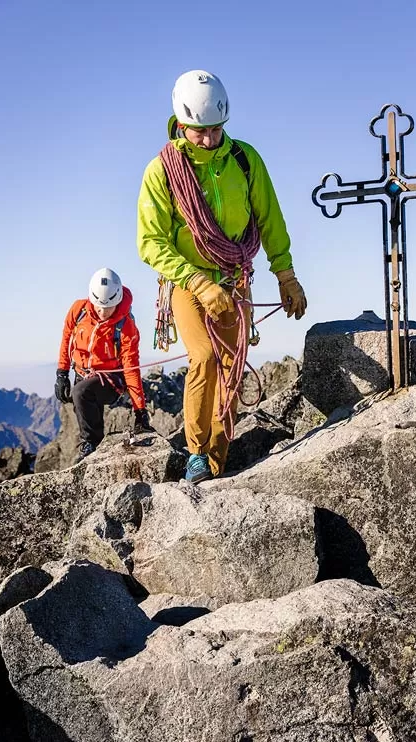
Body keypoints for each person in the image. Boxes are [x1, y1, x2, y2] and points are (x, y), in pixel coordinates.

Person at [137, 69, 307, 485]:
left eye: (215, 129)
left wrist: (286, 275)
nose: (209, 138)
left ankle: (218, 459)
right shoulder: (163, 171)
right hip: (186, 282)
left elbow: (269, 220)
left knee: (232, 368)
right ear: (181, 123)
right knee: (205, 358)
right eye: (200, 132)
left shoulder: (244, 160)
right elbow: (151, 242)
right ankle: (195, 453)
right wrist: (197, 282)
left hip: (234, 278)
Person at [54, 267, 153, 462]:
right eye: (98, 306)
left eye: (107, 308)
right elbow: (67, 340)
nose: (102, 312)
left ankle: (89, 444)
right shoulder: (78, 311)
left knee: (81, 393)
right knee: (84, 405)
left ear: (117, 301)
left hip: (111, 379)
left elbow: (131, 367)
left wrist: (140, 410)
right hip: (81, 373)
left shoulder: (126, 326)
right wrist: (62, 373)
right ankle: (96, 447)